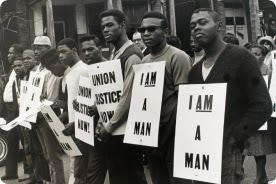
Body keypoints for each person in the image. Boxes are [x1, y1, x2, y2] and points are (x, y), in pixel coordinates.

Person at [189, 8, 272, 183]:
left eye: (203, 22)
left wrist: (235, 137)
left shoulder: (242, 57)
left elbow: (262, 104)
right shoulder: (195, 71)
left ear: (219, 26)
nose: (196, 28)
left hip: (227, 153)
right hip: (200, 152)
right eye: (193, 25)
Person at [138, 11, 192, 184]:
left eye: (152, 29)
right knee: (158, 179)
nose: (146, 33)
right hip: (153, 133)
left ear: (166, 31)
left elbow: (183, 102)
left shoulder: (178, 57)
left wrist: (164, 138)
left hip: (173, 133)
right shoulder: (144, 61)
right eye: (142, 29)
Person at [97, 9, 147, 184]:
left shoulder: (132, 55)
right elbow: (109, 94)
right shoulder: (115, 53)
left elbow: (128, 97)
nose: (105, 30)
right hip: (114, 129)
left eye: (110, 25)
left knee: (131, 177)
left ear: (123, 26)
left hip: (125, 130)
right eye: (103, 26)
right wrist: (101, 120)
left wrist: (109, 126)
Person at [32, 36, 65, 184]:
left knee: (53, 156)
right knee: (46, 155)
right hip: (39, 113)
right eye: (35, 48)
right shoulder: (38, 68)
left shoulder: (55, 67)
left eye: (39, 48)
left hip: (51, 113)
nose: (36, 51)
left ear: (48, 48)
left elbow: (54, 93)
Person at [57, 38, 89, 184]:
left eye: (64, 51)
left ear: (74, 51)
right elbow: (73, 102)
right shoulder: (70, 73)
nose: (60, 56)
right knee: (76, 168)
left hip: (82, 129)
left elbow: (87, 101)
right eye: (59, 53)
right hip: (74, 128)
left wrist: (76, 123)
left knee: (80, 171)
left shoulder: (83, 69)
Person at [242, 44, 275, 184]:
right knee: (240, 146)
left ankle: (261, 176)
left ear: (263, 56)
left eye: (257, 53)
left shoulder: (268, 73)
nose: (254, 56)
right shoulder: (243, 71)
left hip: (260, 115)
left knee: (259, 147)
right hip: (244, 114)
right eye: (251, 53)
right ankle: (237, 171)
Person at [1, 44, 30, 182]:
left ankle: (28, 171)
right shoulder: (11, 70)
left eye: (11, 53)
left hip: (18, 110)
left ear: (19, 54)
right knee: (11, 141)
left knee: (25, 142)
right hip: (10, 111)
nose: (8, 55)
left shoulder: (22, 71)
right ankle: (11, 172)